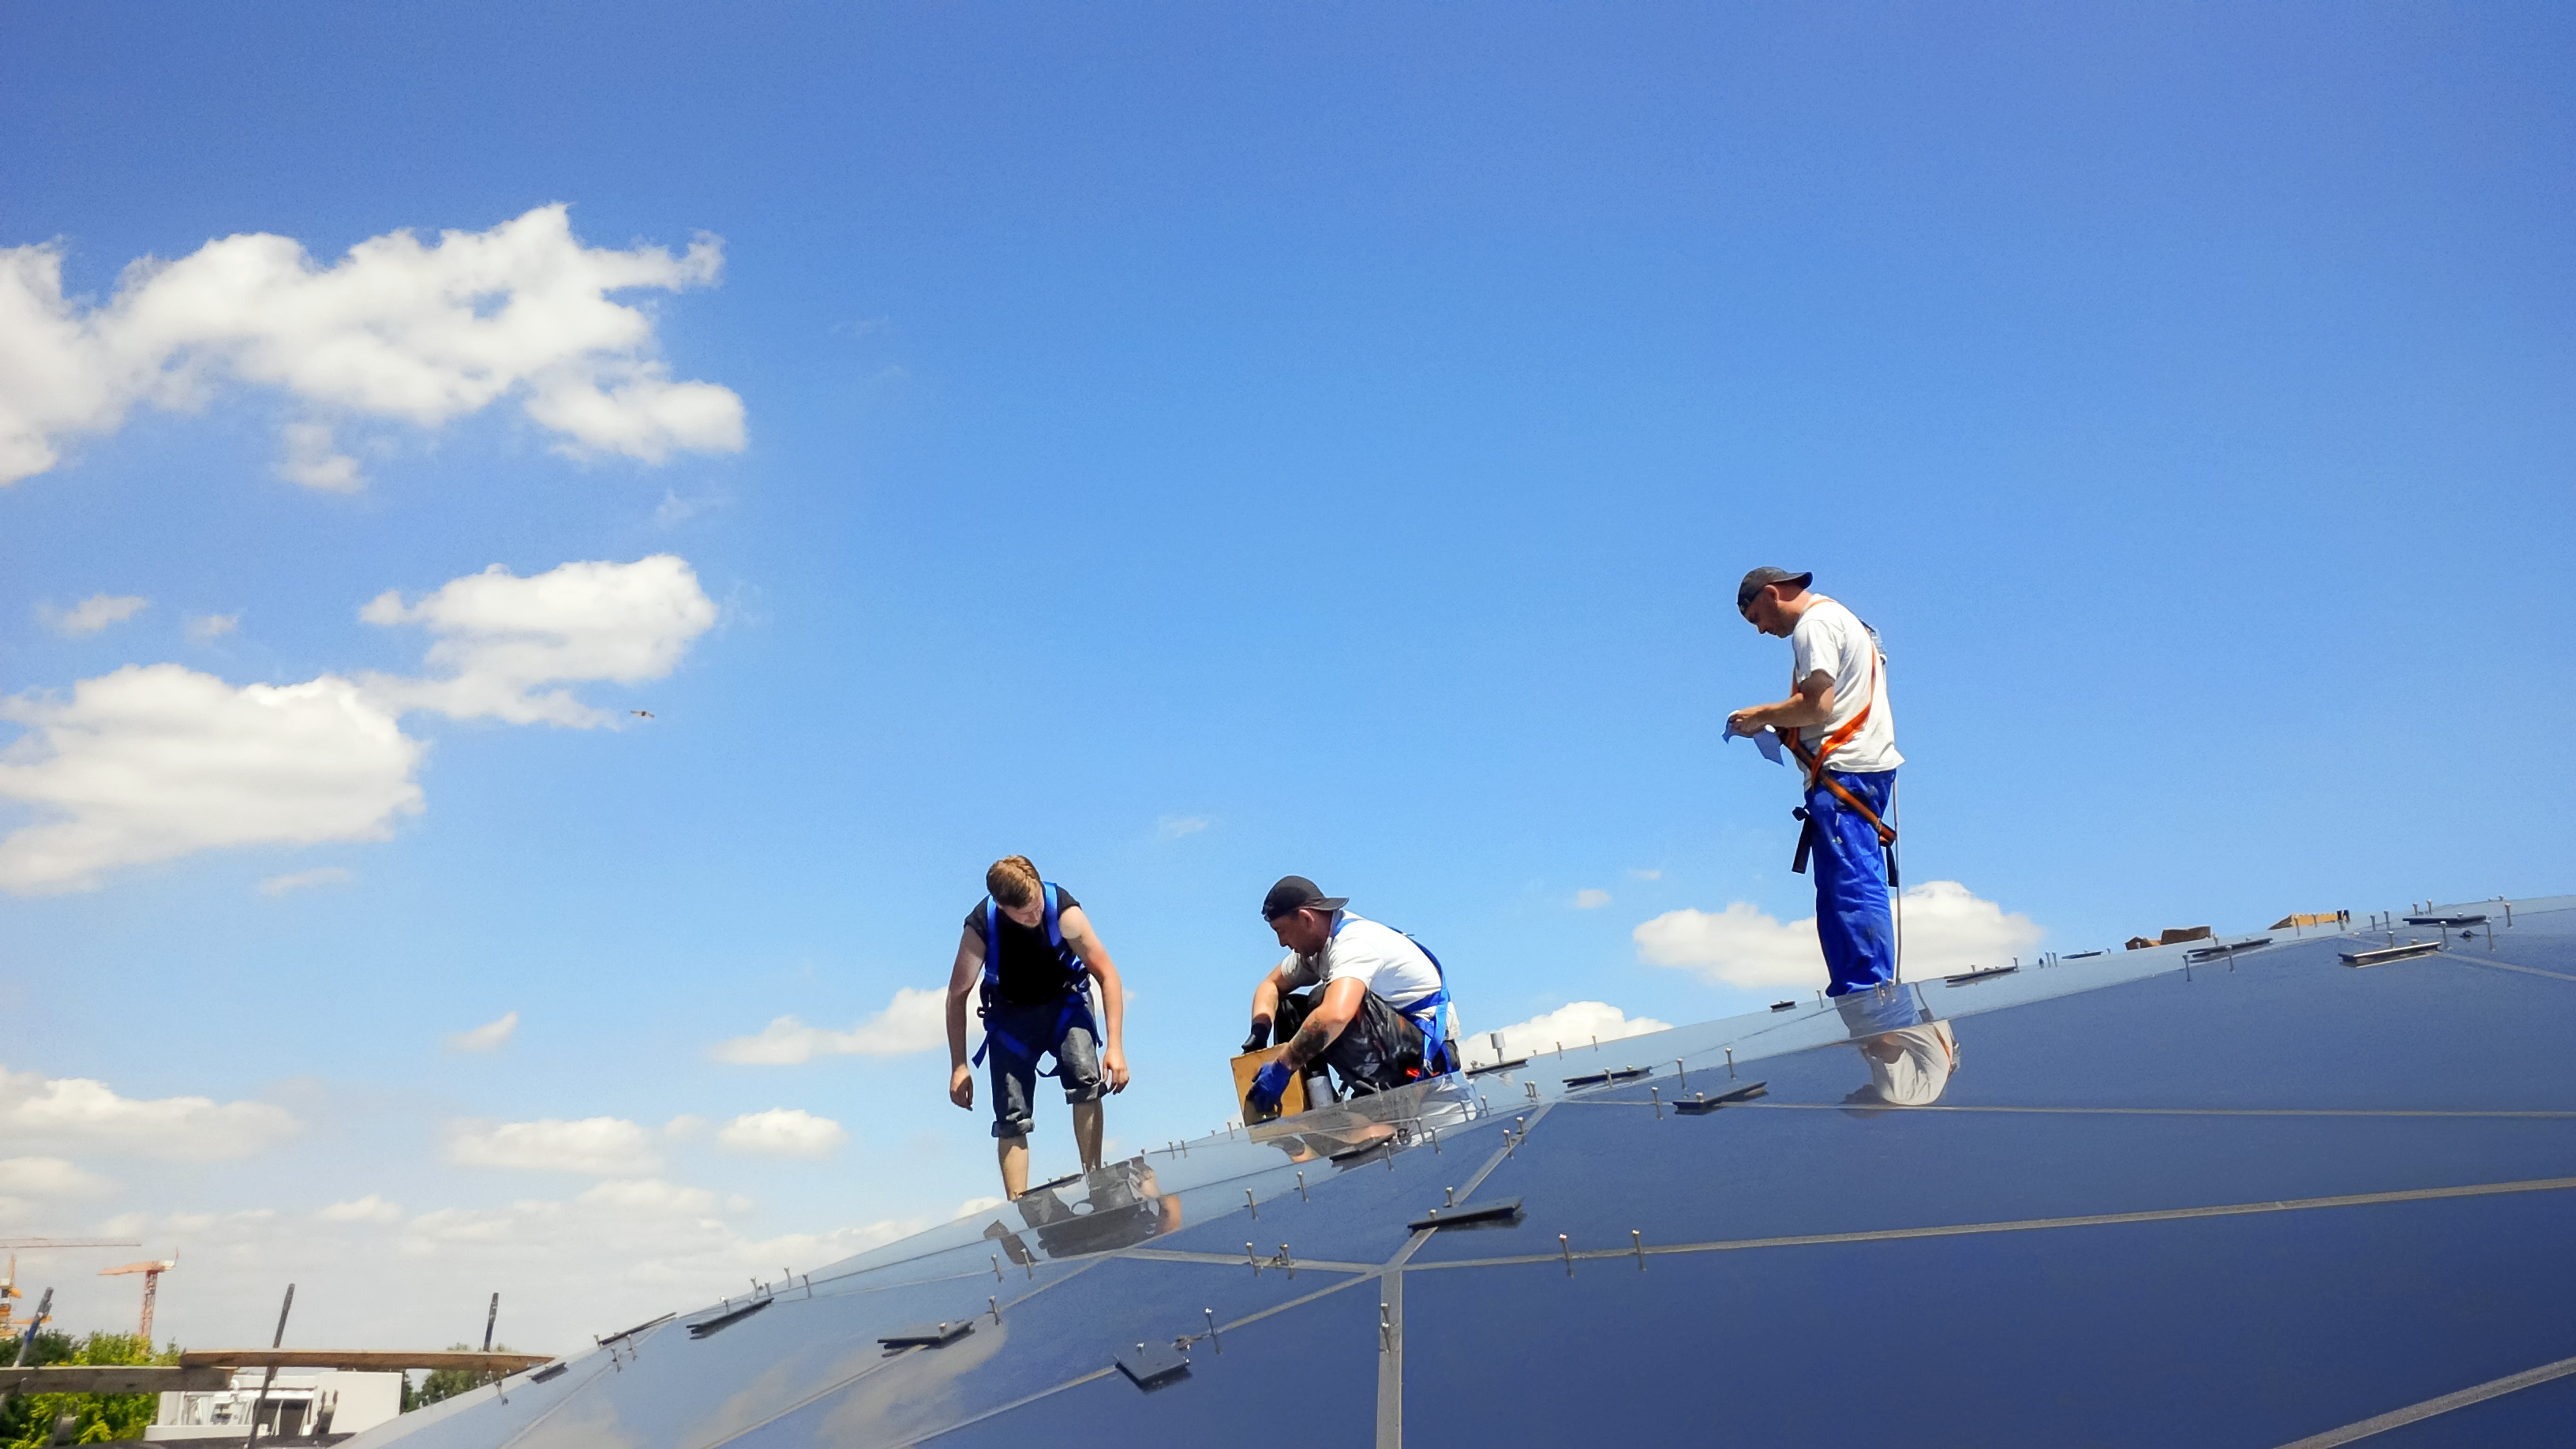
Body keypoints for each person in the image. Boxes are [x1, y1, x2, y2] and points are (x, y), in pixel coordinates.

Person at [1725, 567, 1904, 997]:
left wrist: (1761, 715)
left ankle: (1868, 990)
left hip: (1845, 771)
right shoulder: (1841, 619)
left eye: (1757, 618)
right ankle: (1857, 986)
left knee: (1850, 884)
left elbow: (1817, 705)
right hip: (1854, 769)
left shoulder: (1815, 625)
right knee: (1839, 885)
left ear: (1772, 594)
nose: (1762, 630)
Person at [943, 856, 1129, 1199]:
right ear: (1002, 906)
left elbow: (1107, 975)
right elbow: (957, 996)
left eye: (1036, 906)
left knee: (1085, 1077)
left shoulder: (1063, 911)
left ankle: (1095, 1177)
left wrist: (1115, 1047)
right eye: (1024, 913)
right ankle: (1017, 1204)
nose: (1034, 916)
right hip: (1012, 1018)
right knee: (1010, 1115)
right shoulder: (983, 925)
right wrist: (959, 1065)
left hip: (1064, 1005)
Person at [1241, 876, 1458, 1118]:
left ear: (1306, 918)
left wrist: (1282, 1067)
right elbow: (1270, 985)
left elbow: (1336, 1015)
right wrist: (1260, 1032)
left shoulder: (1352, 943)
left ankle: (1379, 1101)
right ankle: (1318, 1105)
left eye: (1281, 931)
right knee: (1288, 1009)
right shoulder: (1317, 949)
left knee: (1324, 1002)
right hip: (1394, 1044)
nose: (1282, 942)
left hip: (1426, 1056)